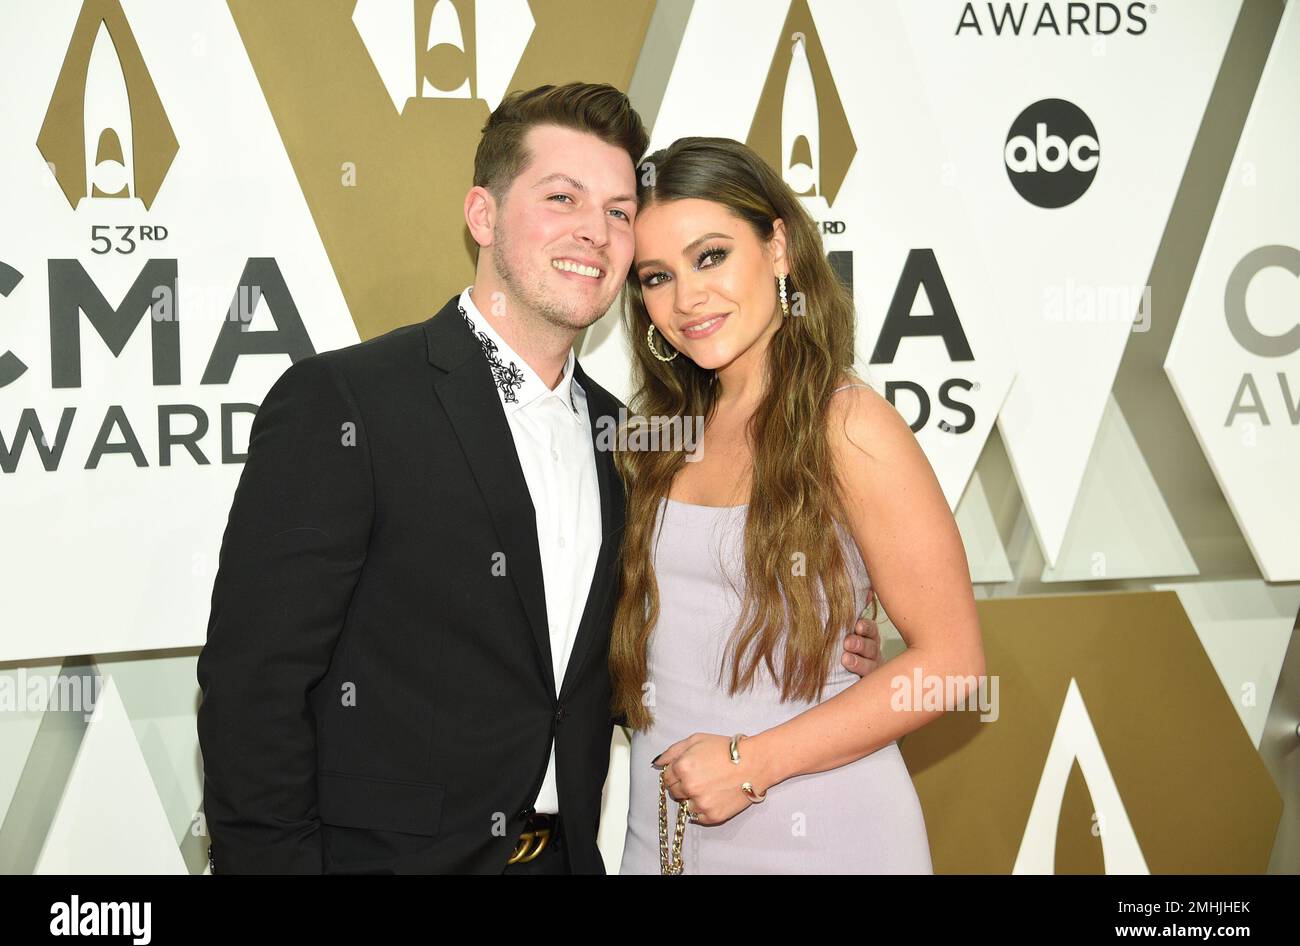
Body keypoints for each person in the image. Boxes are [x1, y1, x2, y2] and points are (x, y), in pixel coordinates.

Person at [196, 84, 882, 875]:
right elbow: (254, 687)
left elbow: (629, 655)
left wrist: (824, 633)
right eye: (563, 198)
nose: (594, 231)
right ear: (482, 217)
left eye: (620, 212)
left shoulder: (631, 440)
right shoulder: (349, 403)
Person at [612, 136, 986, 874]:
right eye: (657, 275)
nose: (687, 298)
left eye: (711, 255)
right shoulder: (662, 433)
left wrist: (752, 762)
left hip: (820, 831)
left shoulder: (847, 424)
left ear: (777, 245)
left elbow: (954, 660)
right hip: (662, 832)